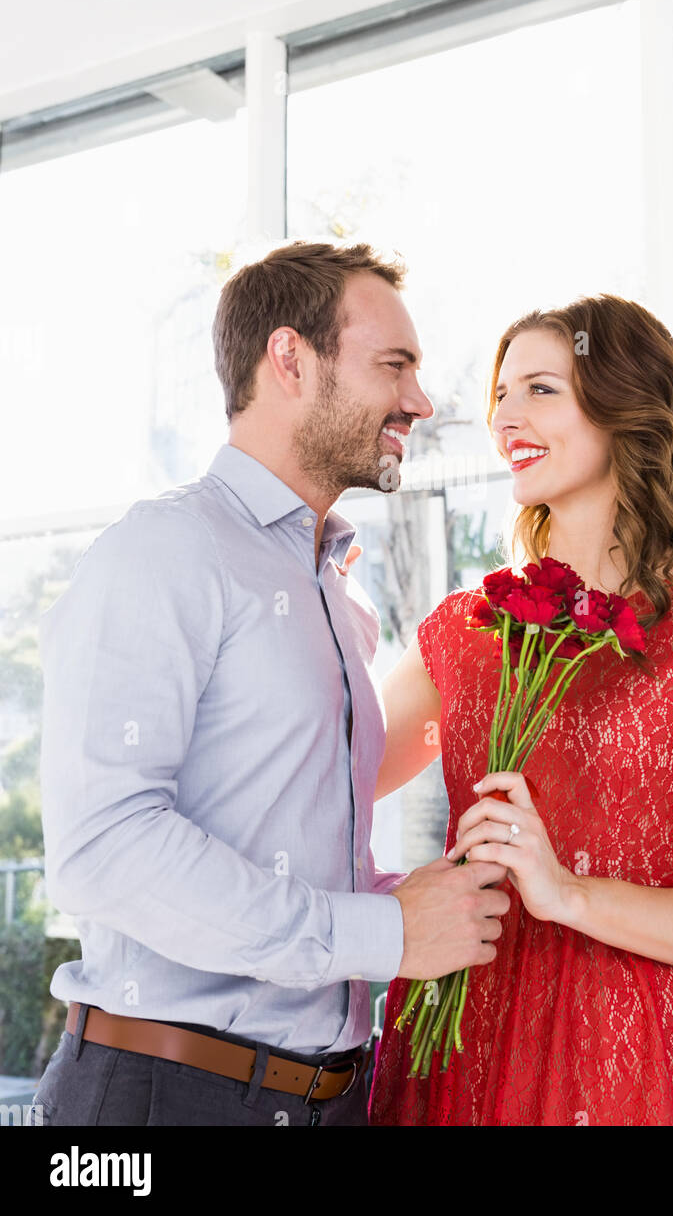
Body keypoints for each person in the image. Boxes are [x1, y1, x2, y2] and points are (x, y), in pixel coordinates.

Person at [29, 241, 509, 1128]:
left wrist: (419, 899)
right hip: (163, 1096)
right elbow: (105, 849)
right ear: (290, 358)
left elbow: (292, 844)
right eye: (393, 365)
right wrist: (383, 935)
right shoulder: (164, 551)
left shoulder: (331, 587)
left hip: (327, 1099)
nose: (420, 400)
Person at [368, 294, 673, 1126]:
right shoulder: (466, 632)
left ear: (624, 408)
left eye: (539, 389)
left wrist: (567, 893)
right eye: (500, 395)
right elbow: (325, 786)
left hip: (631, 1065)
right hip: (461, 1042)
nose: (504, 419)